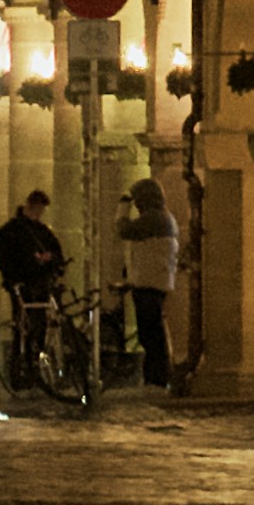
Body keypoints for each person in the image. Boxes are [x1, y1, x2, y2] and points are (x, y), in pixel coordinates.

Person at [0, 184, 64, 388]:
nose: (40, 213)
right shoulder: (12, 231)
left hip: (40, 282)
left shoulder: (42, 232)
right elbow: (3, 257)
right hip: (21, 284)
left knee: (40, 325)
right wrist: (24, 267)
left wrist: (51, 260)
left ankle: (36, 366)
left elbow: (57, 252)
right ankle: (21, 369)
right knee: (22, 326)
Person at [113, 166, 181, 390]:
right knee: (154, 332)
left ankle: (156, 378)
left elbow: (124, 230)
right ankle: (158, 376)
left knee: (151, 335)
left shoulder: (153, 218)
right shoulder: (164, 218)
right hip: (156, 282)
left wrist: (123, 205)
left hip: (149, 284)